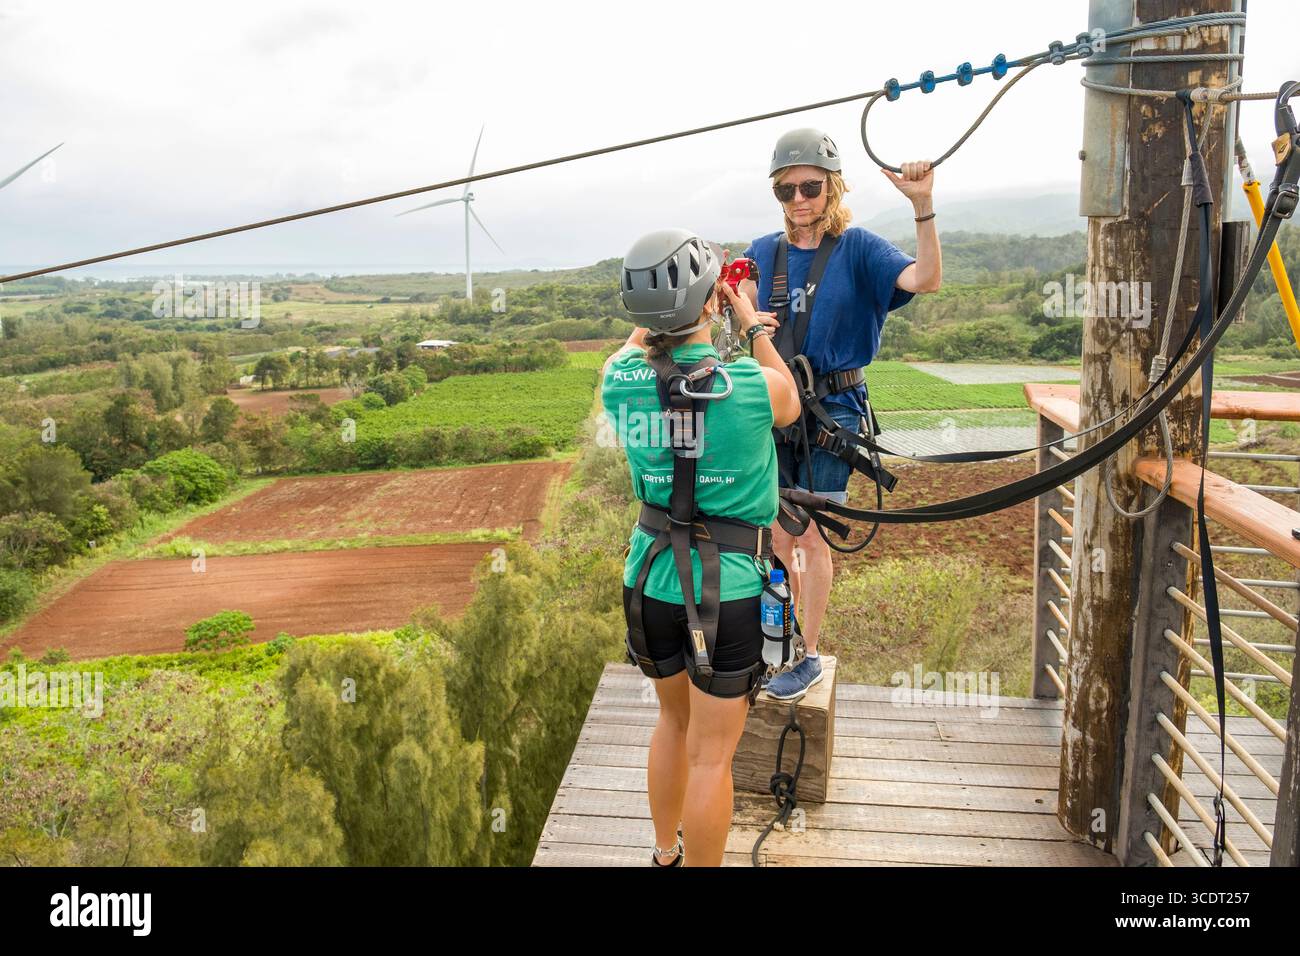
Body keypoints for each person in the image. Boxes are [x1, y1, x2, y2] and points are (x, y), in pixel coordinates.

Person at [600, 228, 801, 867]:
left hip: (651, 578)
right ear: (710, 298)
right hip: (727, 590)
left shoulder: (622, 383)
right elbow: (790, 399)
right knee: (712, 756)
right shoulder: (746, 386)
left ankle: (665, 855)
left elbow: (626, 355)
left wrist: (654, 323)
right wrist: (747, 317)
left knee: (672, 723)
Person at [740, 127, 943, 700]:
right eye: (787, 191)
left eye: (810, 187)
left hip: (831, 413)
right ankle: (778, 644)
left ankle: (805, 652)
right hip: (776, 404)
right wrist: (747, 326)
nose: (799, 200)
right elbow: (743, 320)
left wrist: (923, 206)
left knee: (809, 535)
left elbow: (925, 280)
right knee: (775, 534)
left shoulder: (859, 248)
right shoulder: (764, 252)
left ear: (832, 187)